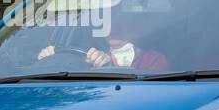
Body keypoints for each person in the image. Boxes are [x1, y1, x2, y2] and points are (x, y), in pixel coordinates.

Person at [36, 15, 168, 72]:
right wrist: (47, 59)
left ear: (136, 29)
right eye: (109, 24)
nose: (114, 29)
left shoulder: (153, 59)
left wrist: (107, 65)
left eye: (122, 24)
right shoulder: (91, 55)